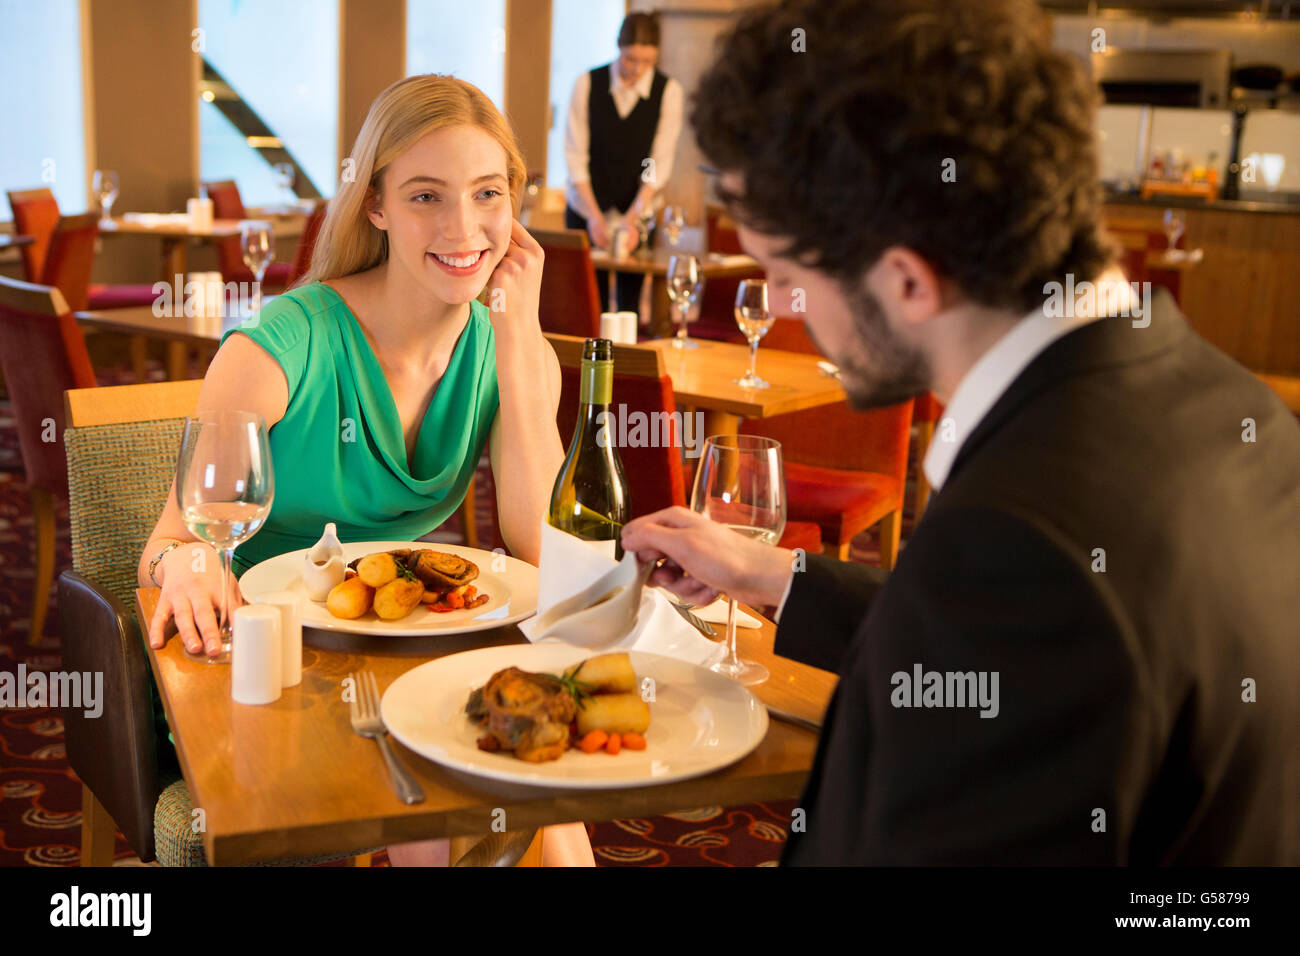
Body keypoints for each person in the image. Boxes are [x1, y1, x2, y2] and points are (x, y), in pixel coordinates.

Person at [622, 0, 1300, 865]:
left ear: (908, 281)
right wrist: (774, 576)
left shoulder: (1018, 546)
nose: (785, 303)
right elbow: (1023, 666)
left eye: (787, 273)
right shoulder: (1236, 406)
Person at [137, 74, 593, 866]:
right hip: (258, 661)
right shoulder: (280, 348)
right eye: (426, 196)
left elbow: (544, 551)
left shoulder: (508, 350)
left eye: (487, 193)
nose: (463, 227)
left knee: (539, 787)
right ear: (374, 205)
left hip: (403, 649)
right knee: (444, 786)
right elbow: (170, 544)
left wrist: (519, 339)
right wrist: (187, 561)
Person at [564, 11, 683, 313]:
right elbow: (576, 157)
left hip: (638, 212)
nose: (637, 69)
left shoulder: (669, 92)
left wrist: (633, 219)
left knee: (630, 308)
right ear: (619, 48)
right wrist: (594, 216)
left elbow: (657, 164)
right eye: (630, 59)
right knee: (589, 306)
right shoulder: (587, 83)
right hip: (587, 208)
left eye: (647, 61)